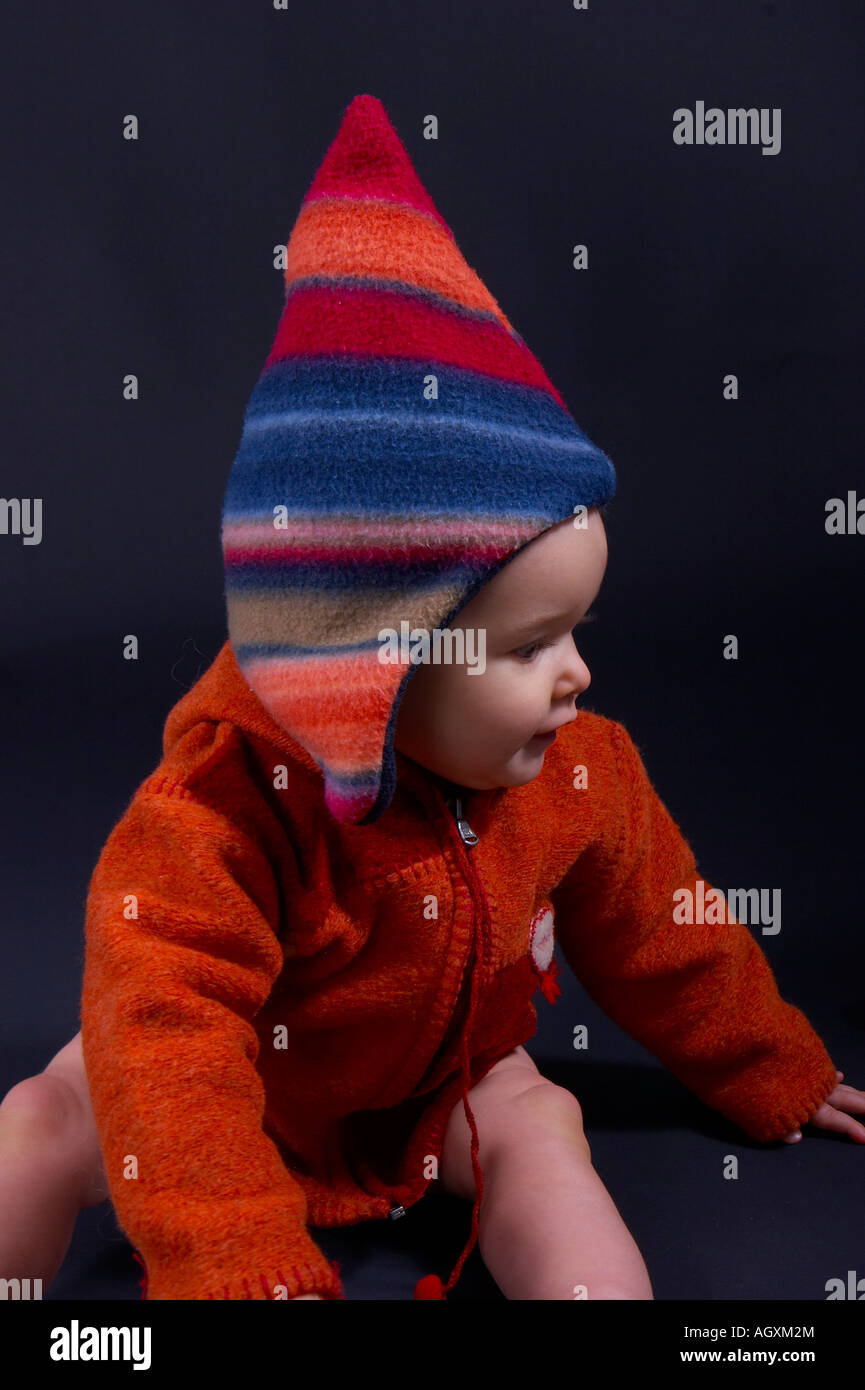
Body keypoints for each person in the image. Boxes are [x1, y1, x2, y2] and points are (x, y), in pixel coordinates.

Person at [2, 95, 862, 1303]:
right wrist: (235, 1262)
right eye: (530, 644)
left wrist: (767, 1062)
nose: (577, 674)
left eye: (579, 629)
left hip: (433, 1083)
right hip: (238, 1081)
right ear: (370, 668)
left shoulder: (577, 770)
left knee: (538, 1121)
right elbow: (174, 1035)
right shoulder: (224, 816)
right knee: (52, 1121)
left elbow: (667, 930)